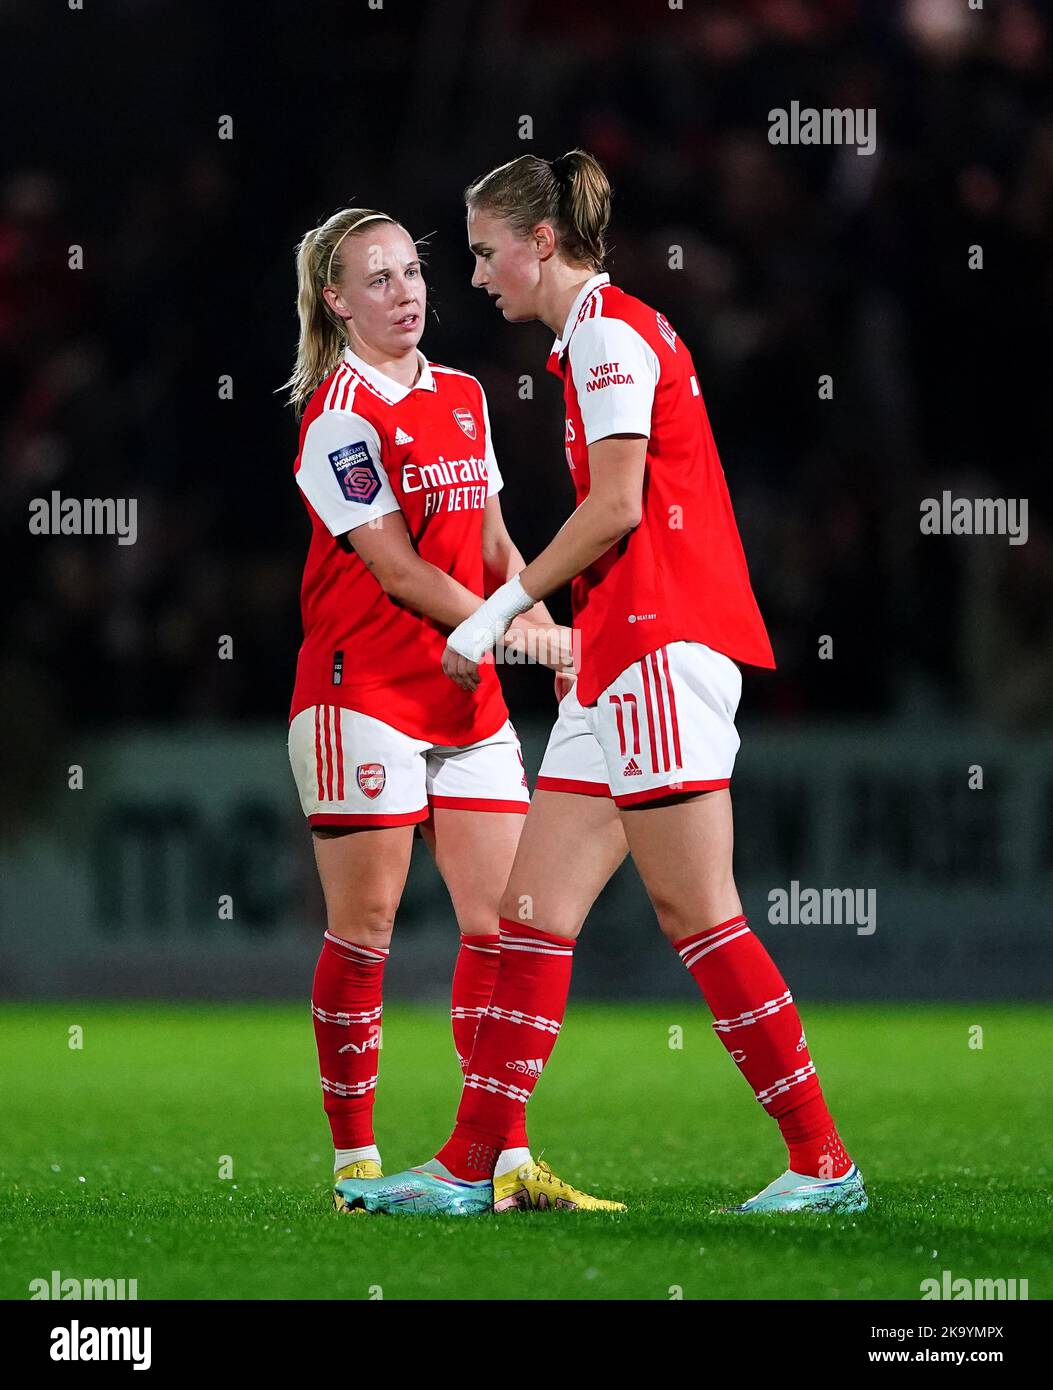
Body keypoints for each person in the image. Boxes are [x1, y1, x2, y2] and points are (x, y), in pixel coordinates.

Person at [336, 154, 867, 1217]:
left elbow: (620, 506)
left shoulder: (613, 335)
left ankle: (824, 1165)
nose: (476, 277)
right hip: (613, 656)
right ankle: (470, 1162)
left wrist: (496, 608)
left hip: (665, 648)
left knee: (697, 910)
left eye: (486, 252)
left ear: (541, 243)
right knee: (530, 917)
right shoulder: (599, 337)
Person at [282, 204, 624, 1213]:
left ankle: (502, 1159)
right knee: (369, 926)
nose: (405, 292)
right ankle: (355, 1164)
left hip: (461, 700)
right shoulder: (337, 414)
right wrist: (513, 634)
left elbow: (493, 554)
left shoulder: (467, 397)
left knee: (505, 923)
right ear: (336, 303)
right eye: (376, 278)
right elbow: (390, 569)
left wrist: (547, 626)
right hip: (360, 694)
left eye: (412, 272)